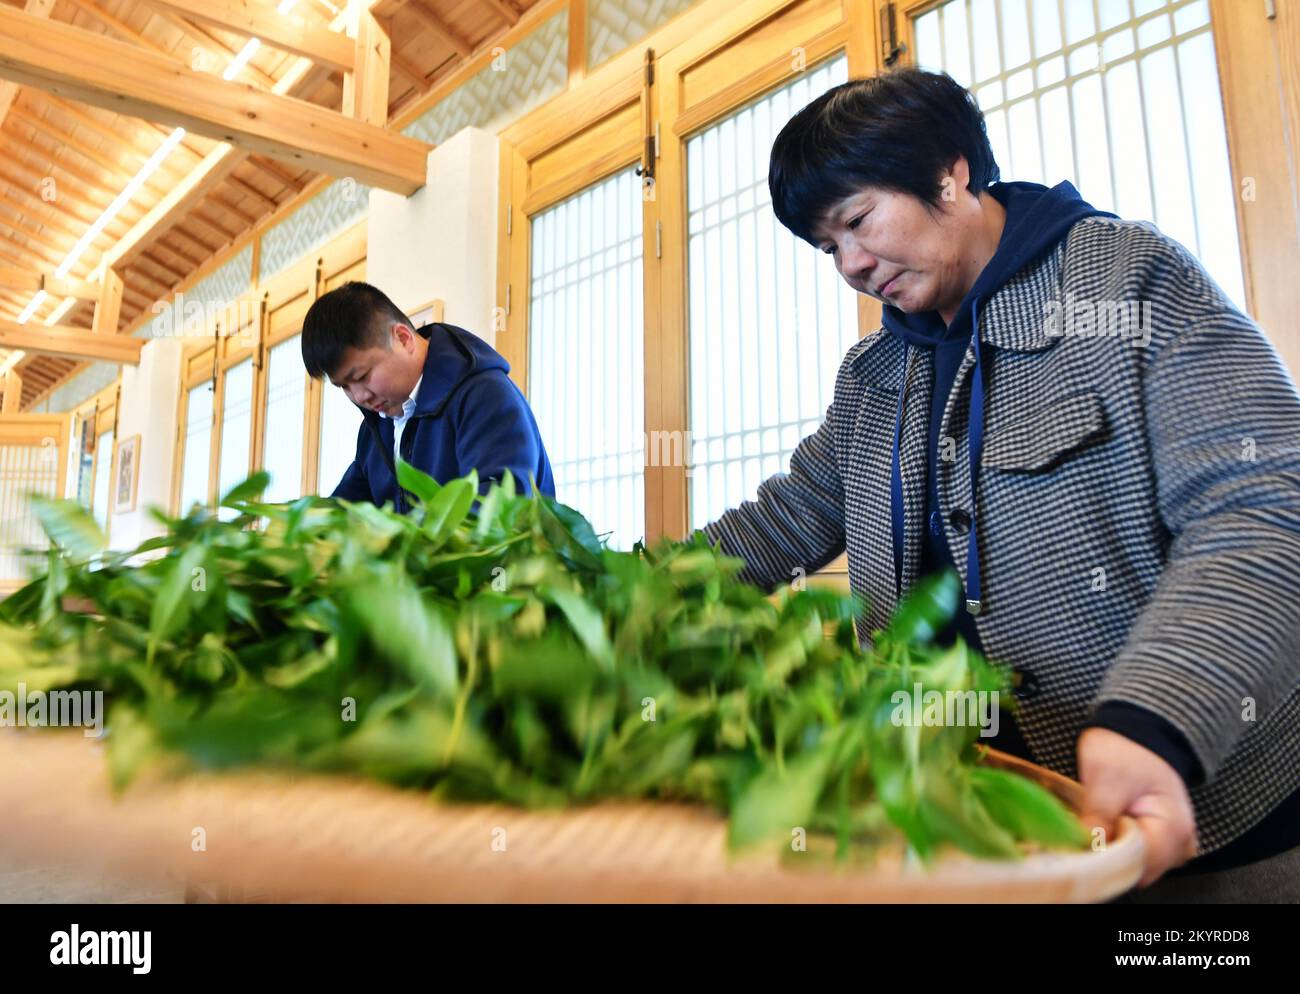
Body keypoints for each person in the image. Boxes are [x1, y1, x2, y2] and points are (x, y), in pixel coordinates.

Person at [700, 68, 1300, 901]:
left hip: (1206, 820)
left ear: (950, 174)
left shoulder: (1125, 281)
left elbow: (1262, 508)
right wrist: (621, 585)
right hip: (986, 820)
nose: (852, 265)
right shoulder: (874, 374)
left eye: (858, 222)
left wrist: (1159, 715)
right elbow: (785, 519)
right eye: (828, 247)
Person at [301, 281, 555, 512]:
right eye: (344, 387)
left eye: (362, 376)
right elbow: (347, 509)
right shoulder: (377, 424)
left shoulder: (485, 396)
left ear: (403, 338)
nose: (359, 396)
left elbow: (498, 510)